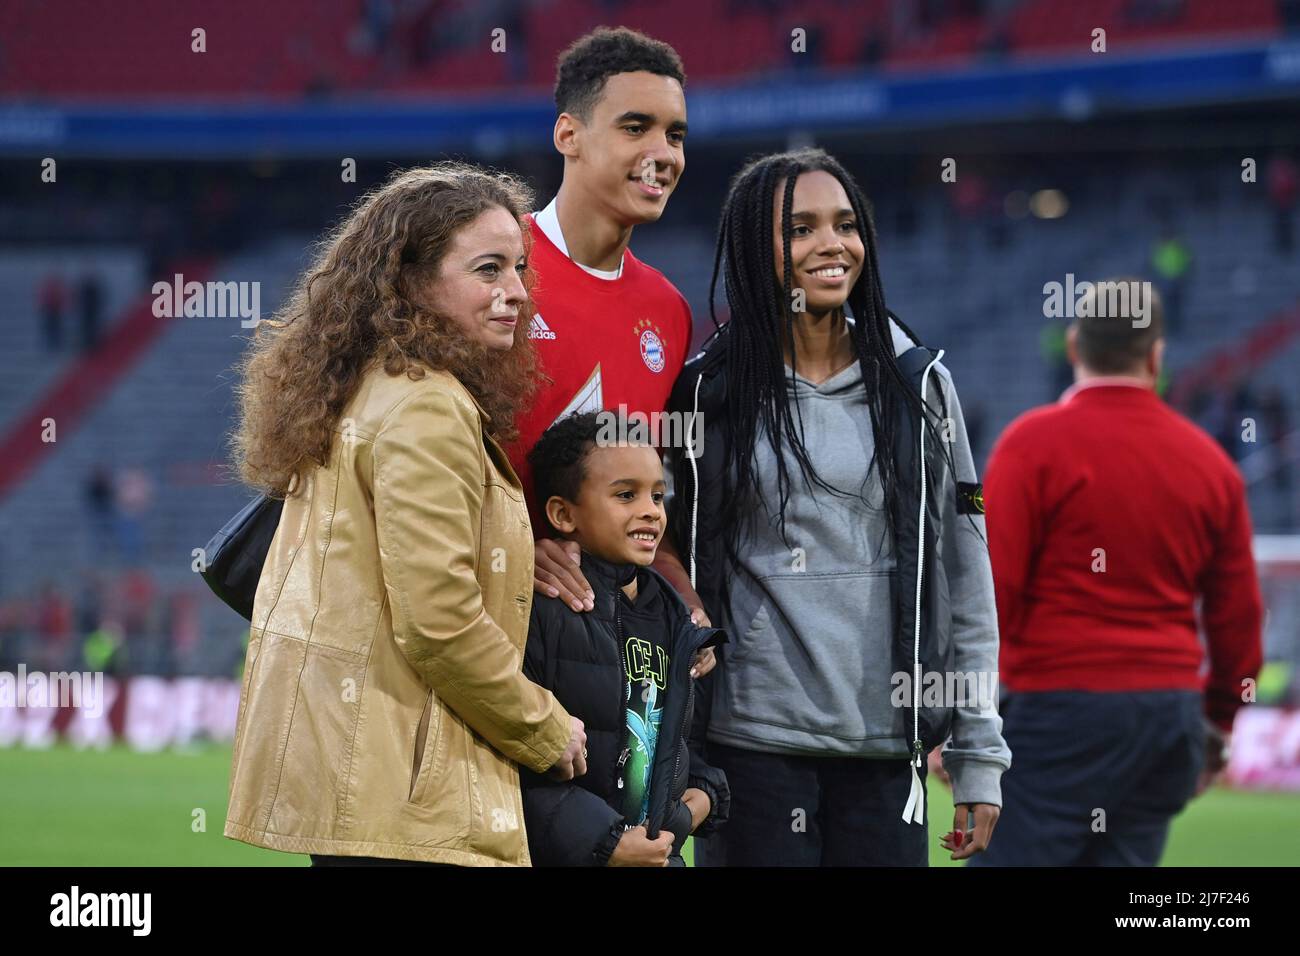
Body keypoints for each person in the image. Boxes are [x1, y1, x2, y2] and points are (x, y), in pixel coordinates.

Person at [225, 162, 587, 867]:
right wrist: (545, 726)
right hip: (403, 790)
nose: (516, 292)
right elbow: (439, 620)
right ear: (412, 281)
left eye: (518, 268)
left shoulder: (367, 386)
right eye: (488, 270)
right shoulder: (426, 404)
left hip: (362, 772)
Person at [666, 148, 1009, 866]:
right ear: (756, 251)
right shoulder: (706, 394)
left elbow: (966, 569)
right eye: (801, 229)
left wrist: (978, 752)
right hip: (746, 749)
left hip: (887, 753)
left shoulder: (921, 387)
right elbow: (662, 549)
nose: (832, 245)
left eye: (846, 224)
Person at [975, 278, 1264, 866]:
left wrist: (962, 718)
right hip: (1166, 714)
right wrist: (1219, 721)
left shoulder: (1030, 446)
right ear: (1157, 356)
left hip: (1055, 712)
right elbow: (1238, 616)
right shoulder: (1210, 463)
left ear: (1075, 347)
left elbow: (988, 595)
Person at [509, 27, 712, 634]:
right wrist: (515, 548)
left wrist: (683, 601)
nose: (663, 153)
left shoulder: (669, 310)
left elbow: (647, 494)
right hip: (482, 615)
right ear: (568, 135)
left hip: (601, 640)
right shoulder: (493, 265)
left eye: (674, 134)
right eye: (635, 128)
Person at [519, 412, 729, 866]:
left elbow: (681, 744)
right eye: (625, 495)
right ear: (562, 514)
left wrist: (701, 801)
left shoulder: (677, 624)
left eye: (657, 494)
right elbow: (518, 763)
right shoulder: (542, 609)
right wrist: (605, 841)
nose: (652, 510)